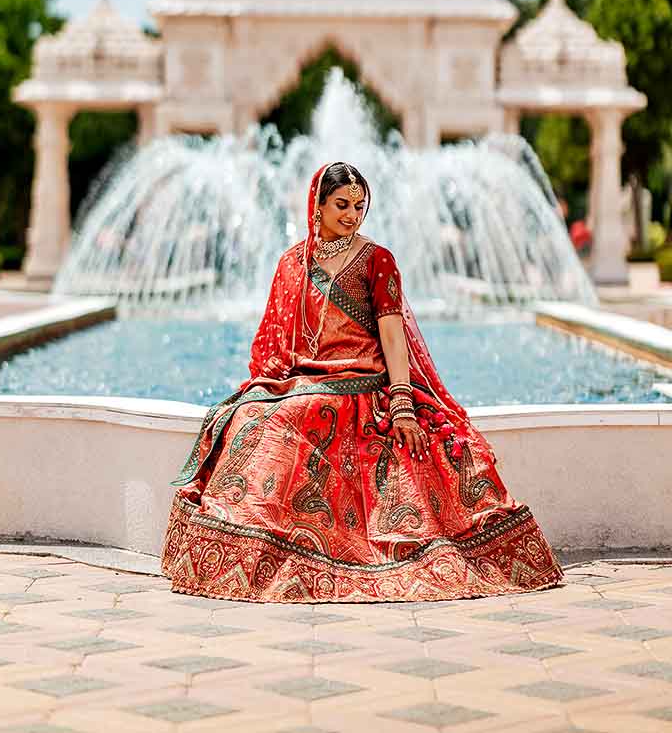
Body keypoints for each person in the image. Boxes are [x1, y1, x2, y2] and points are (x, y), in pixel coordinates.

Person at [162, 162, 564, 602]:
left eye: (359, 206)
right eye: (341, 205)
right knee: (248, 416)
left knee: (292, 416)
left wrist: (403, 401)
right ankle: (256, 554)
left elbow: (393, 335)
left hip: (362, 382)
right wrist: (273, 381)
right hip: (306, 379)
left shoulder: (376, 260)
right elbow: (277, 342)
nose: (352, 215)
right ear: (317, 203)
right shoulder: (292, 263)